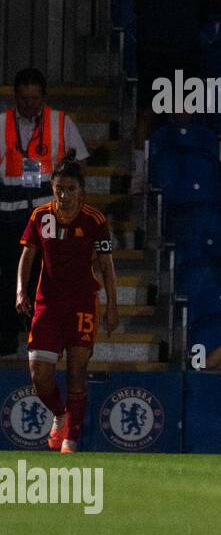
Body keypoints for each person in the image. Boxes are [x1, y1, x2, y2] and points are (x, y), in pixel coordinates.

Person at [14, 158, 117, 452]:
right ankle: (60, 414)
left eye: (70, 189)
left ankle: (71, 438)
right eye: (59, 189)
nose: (64, 195)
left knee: (76, 372)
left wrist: (113, 305)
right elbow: (27, 256)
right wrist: (22, 290)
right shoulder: (40, 216)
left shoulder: (95, 221)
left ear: (81, 190)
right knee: (39, 375)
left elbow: (107, 265)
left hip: (83, 303)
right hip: (48, 305)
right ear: (52, 187)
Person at [1, 69, 90, 355]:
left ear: (43, 97)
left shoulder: (61, 122)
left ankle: (39, 334)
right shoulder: (2, 124)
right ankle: (6, 335)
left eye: (34, 98)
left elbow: (81, 165)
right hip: (8, 215)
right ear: (16, 97)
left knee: (46, 276)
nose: (29, 104)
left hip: (47, 215)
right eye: (24, 98)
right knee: (8, 277)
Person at [124, 0, 206, 192]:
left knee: (184, 113)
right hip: (153, 51)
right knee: (147, 114)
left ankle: (183, 172)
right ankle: (139, 174)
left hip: (184, 50)